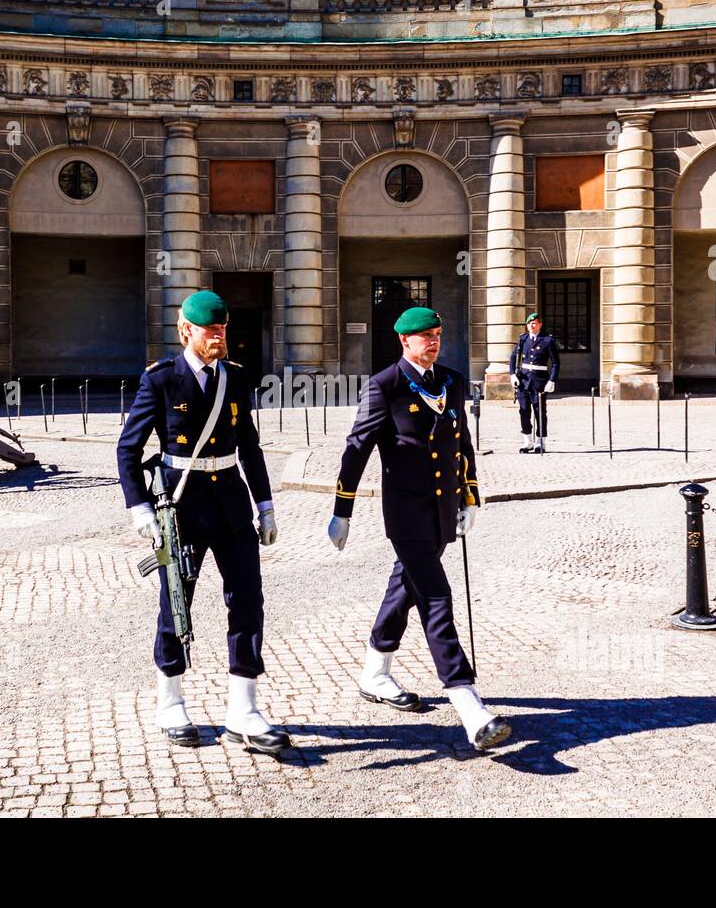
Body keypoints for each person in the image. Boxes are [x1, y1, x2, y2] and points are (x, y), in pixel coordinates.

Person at [326, 306, 512, 752]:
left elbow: (462, 442)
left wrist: (469, 495)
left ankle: (375, 671)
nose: (432, 341)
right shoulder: (384, 385)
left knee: (404, 588)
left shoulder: (450, 380)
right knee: (434, 596)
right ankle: (469, 704)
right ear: (403, 342)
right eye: (423, 336)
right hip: (406, 513)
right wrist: (342, 509)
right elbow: (357, 449)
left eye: (437, 334)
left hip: (443, 509)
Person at [116, 290, 289, 755]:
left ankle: (243, 710)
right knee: (177, 605)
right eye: (210, 329)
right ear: (186, 330)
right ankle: (170, 702)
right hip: (181, 505)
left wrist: (266, 504)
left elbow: (249, 445)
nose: (218, 336)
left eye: (223, 328)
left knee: (248, 603)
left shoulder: (235, 376)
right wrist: (140, 510)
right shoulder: (160, 380)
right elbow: (127, 450)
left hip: (232, 502)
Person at [508, 312, 560, 453]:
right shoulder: (522, 339)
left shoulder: (547, 341)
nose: (532, 325)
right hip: (523, 381)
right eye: (530, 323)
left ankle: (540, 442)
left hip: (539, 382)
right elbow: (513, 358)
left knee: (540, 413)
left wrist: (551, 380)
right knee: (524, 411)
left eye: (535, 323)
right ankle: (527, 442)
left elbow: (556, 363)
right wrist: (513, 375)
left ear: (540, 325)